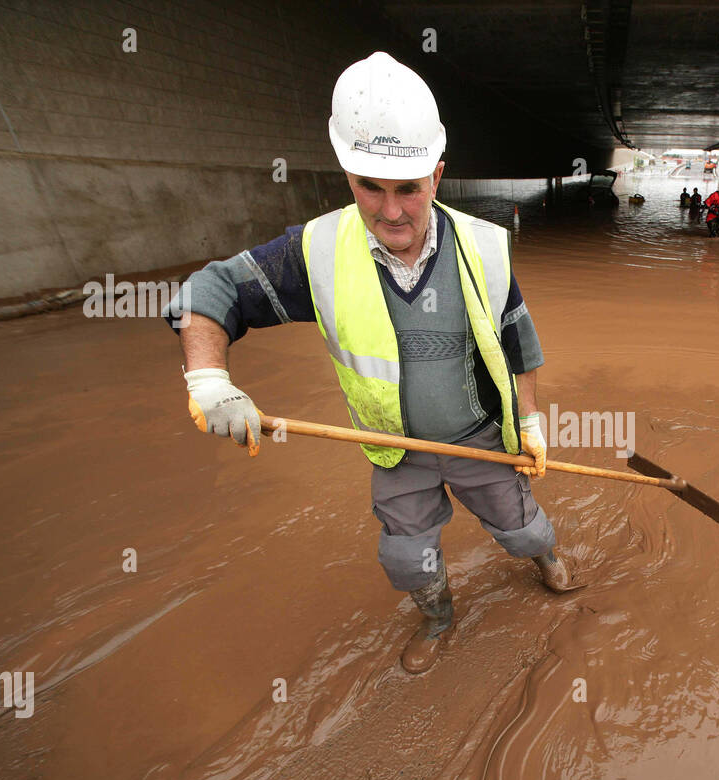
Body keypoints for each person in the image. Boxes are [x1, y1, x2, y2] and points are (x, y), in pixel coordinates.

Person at [164, 52, 580, 676]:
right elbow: (208, 293)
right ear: (348, 177)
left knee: (523, 530)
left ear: (437, 176)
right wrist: (209, 380)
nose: (390, 212)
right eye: (370, 187)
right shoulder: (317, 251)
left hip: (481, 443)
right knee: (407, 560)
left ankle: (544, 560)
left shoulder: (486, 249)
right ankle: (438, 616)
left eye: (408, 189)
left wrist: (530, 421)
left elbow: (518, 341)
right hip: (395, 451)